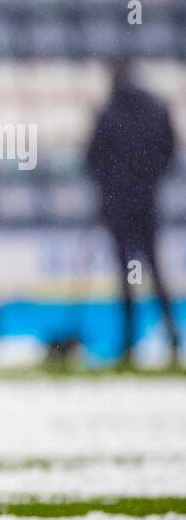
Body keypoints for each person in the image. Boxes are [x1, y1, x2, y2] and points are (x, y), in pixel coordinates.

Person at [85, 60, 179, 366]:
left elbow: (92, 160)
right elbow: (169, 153)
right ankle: (173, 339)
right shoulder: (156, 110)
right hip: (147, 205)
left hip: (119, 208)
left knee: (126, 278)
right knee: (156, 274)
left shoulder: (109, 114)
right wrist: (150, 183)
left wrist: (108, 192)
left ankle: (129, 345)